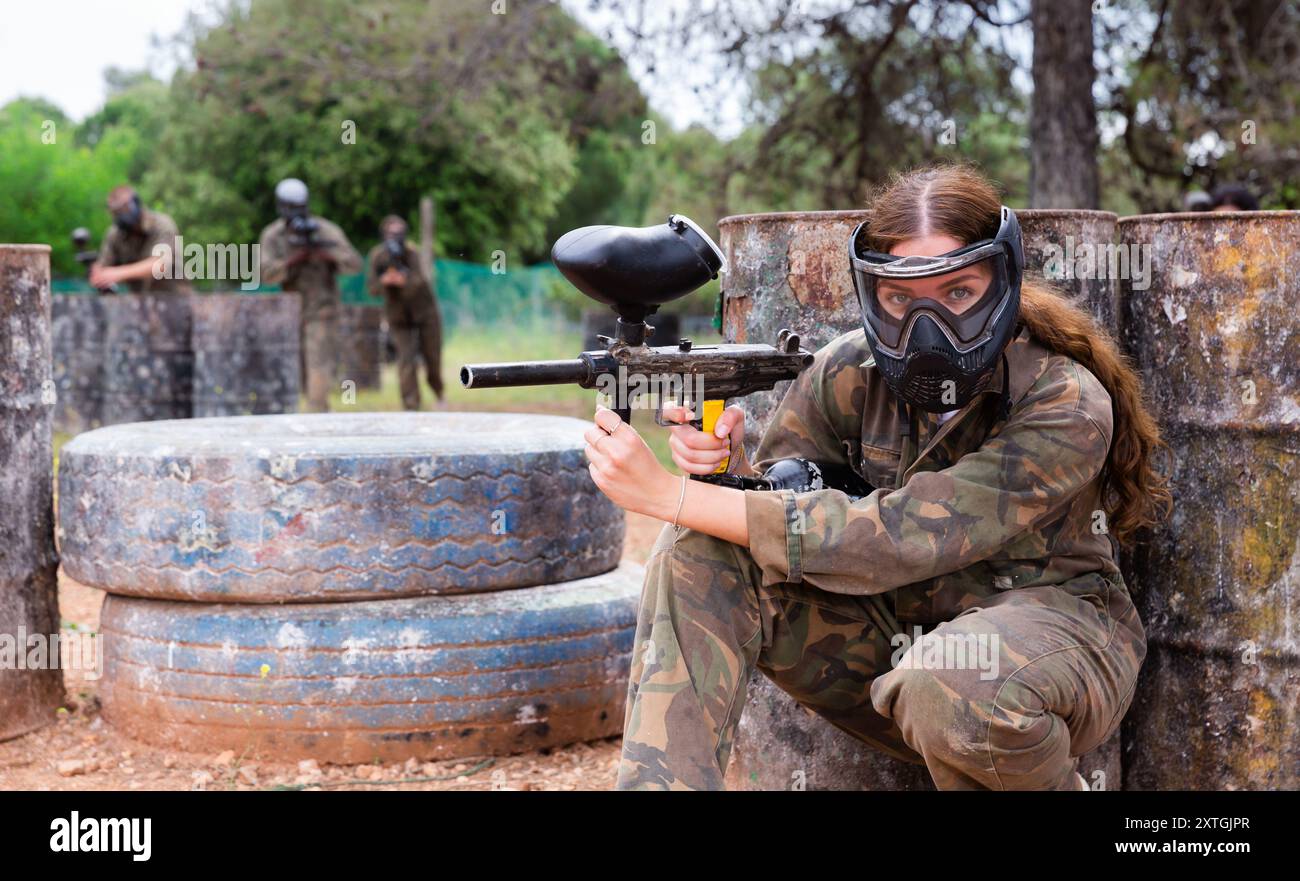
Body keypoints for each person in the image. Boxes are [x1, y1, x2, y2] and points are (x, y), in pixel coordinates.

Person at [583, 164, 1171, 791]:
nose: (927, 326)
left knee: (950, 682)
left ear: (1002, 282)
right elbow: (786, 503)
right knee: (699, 549)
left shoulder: (1063, 402)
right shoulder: (851, 370)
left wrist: (670, 497)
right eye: (900, 298)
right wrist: (723, 471)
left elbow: (903, 535)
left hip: (1050, 640)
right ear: (874, 294)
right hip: (898, 638)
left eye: (959, 293)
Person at [259, 178, 362, 413]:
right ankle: (320, 417)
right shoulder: (273, 236)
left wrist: (327, 254)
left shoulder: (325, 231)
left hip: (322, 312)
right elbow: (266, 274)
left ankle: (317, 421)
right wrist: (294, 259)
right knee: (298, 375)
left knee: (318, 372)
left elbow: (354, 264)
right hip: (290, 314)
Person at [365, 215, 444, 408]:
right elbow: (372, 288)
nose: (395, 237)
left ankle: (439, 394)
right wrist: (386, 281)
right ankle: (411, 406)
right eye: (391, 233)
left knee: (432, 359)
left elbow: (420, 280)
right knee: (406, 361)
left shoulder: (412, 253)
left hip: (425, 313)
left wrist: (403, 281)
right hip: (398, 316)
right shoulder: (378, 256)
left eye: (399, 233)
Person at [89, 185, 191, 293]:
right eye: (116, 212)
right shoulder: (115, 234)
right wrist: (98, 274)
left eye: (125, 208)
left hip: (175, 302)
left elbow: (161, 265)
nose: (121, 215)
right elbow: (103, 267)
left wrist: (118, 273)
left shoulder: (162, 225)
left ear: (136, 203)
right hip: (139, 303)